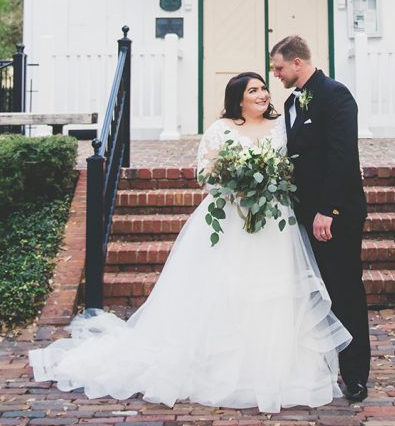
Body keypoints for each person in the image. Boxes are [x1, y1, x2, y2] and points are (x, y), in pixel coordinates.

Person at [29, 72, 351, 413]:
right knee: (225, 290)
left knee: (274, 292)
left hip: (274, 223)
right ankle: (220, 368)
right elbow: (206, 172)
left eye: (263, 88)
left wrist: (272, 184)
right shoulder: (221, 129)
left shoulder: (280, 127)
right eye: (253, 90)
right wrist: (236, 187)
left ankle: (280, 370)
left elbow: (292, 168)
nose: (262, 94)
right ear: (238, 99)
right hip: (229, 220)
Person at [270, 35, 370, 403]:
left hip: (334, 215)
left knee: (344, 292)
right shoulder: (290, 101)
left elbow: (343, 156)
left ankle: (355, 374)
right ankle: (323, 367)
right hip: (303, 214)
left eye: (279, 67)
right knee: (316, 294)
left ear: (297, 63)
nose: (275, 74)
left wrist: (327, 210)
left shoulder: (335, 95)